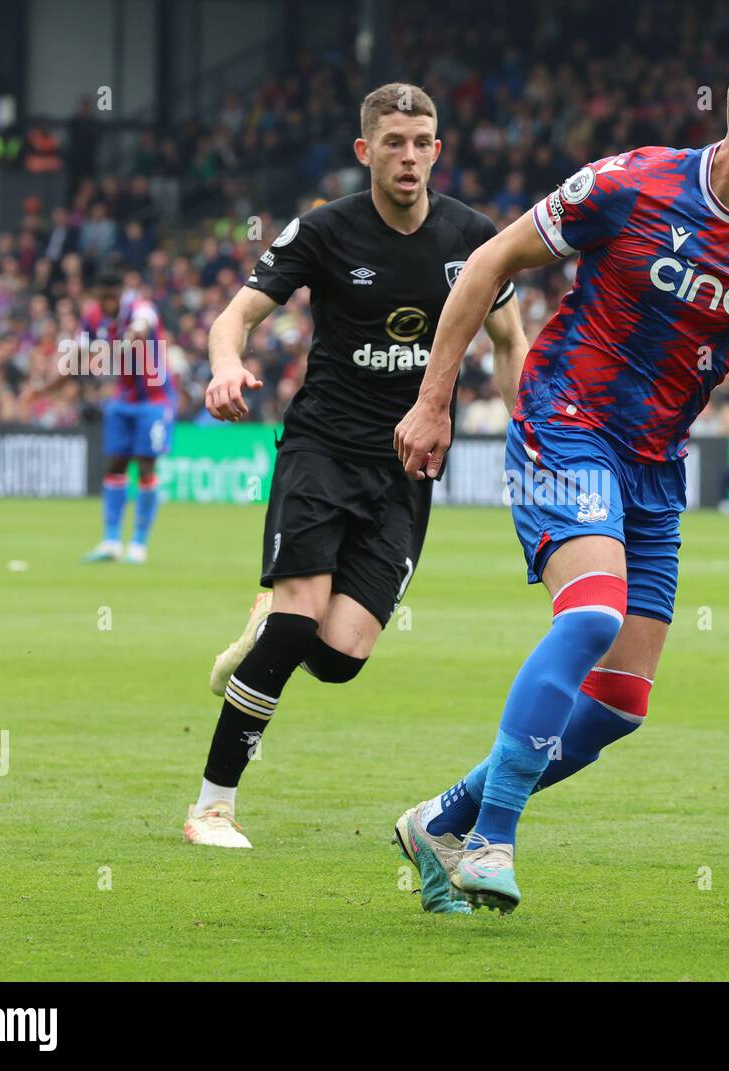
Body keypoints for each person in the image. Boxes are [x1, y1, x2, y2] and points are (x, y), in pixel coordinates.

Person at [394, 48, 729, 913]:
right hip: (565, 419)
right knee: (593, 612)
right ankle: (492, 836)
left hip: (654, 462)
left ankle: (440, 820)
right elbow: (490, 262)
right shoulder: (631, 183)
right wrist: (434, 401)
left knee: (619, 701)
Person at [183, 85, 529, 879]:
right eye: (395, 142)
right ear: (365, 151)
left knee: (341, 655)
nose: (410, 156)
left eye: (424, 142)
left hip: (408, 467)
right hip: (320, 450)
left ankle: (265, 628)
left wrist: (527, 433)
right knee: (302, 623)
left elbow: (511, 340)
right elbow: (231, 319)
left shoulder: (476, 239)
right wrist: (228, 365)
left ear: (439, 151)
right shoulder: (327, 229)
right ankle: (212, 805)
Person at [81, 278, 173, 564]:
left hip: (154, 401)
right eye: (103, 298)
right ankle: (111, 541)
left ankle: (138, 544)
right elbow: (77, 351)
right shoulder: (92, 317)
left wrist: (118, 348)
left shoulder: (140, 308)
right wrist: (44, 390)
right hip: (123, 401)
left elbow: (140, 329)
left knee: (146, 466)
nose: (108, 304)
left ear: (120, 295)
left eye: (113, 297)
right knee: (115, 464)